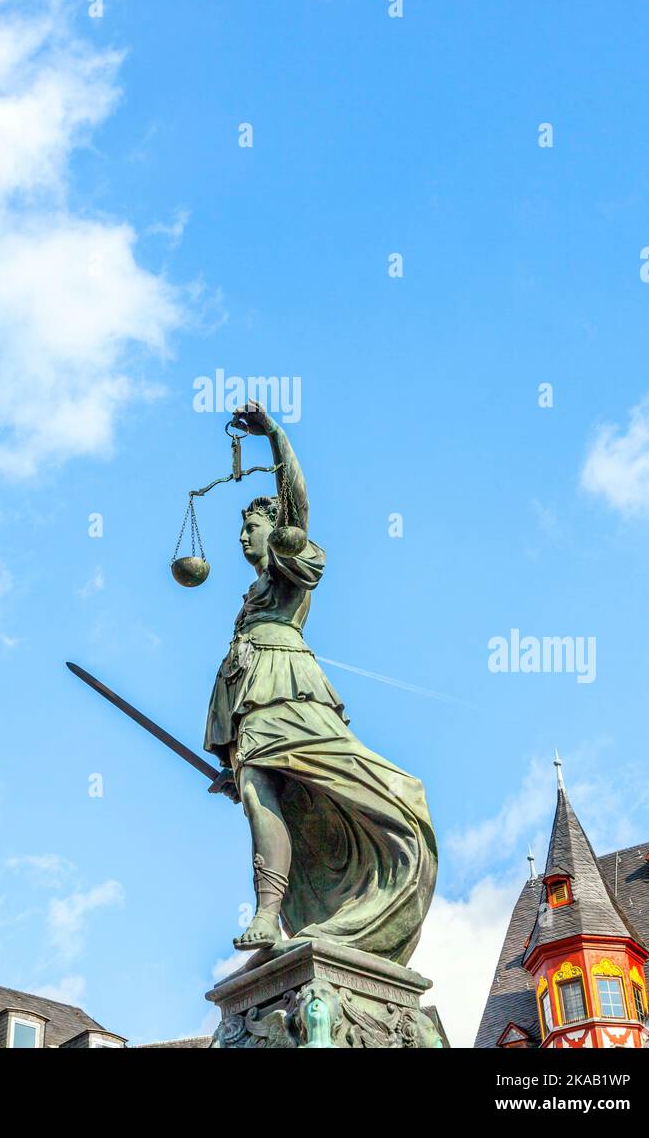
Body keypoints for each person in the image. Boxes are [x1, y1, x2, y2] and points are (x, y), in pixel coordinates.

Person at [205, 400, 437, 961]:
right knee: (261, 794)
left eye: (251, 527)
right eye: (242, 529)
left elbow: (298, 506)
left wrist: (275, 437)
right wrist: (228, 762)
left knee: (273, 789)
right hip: (254, 703)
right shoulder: (250, 600)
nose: (243, 538)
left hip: (289, 691)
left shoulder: (290, 566)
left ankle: (267, 911)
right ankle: (269, 913)